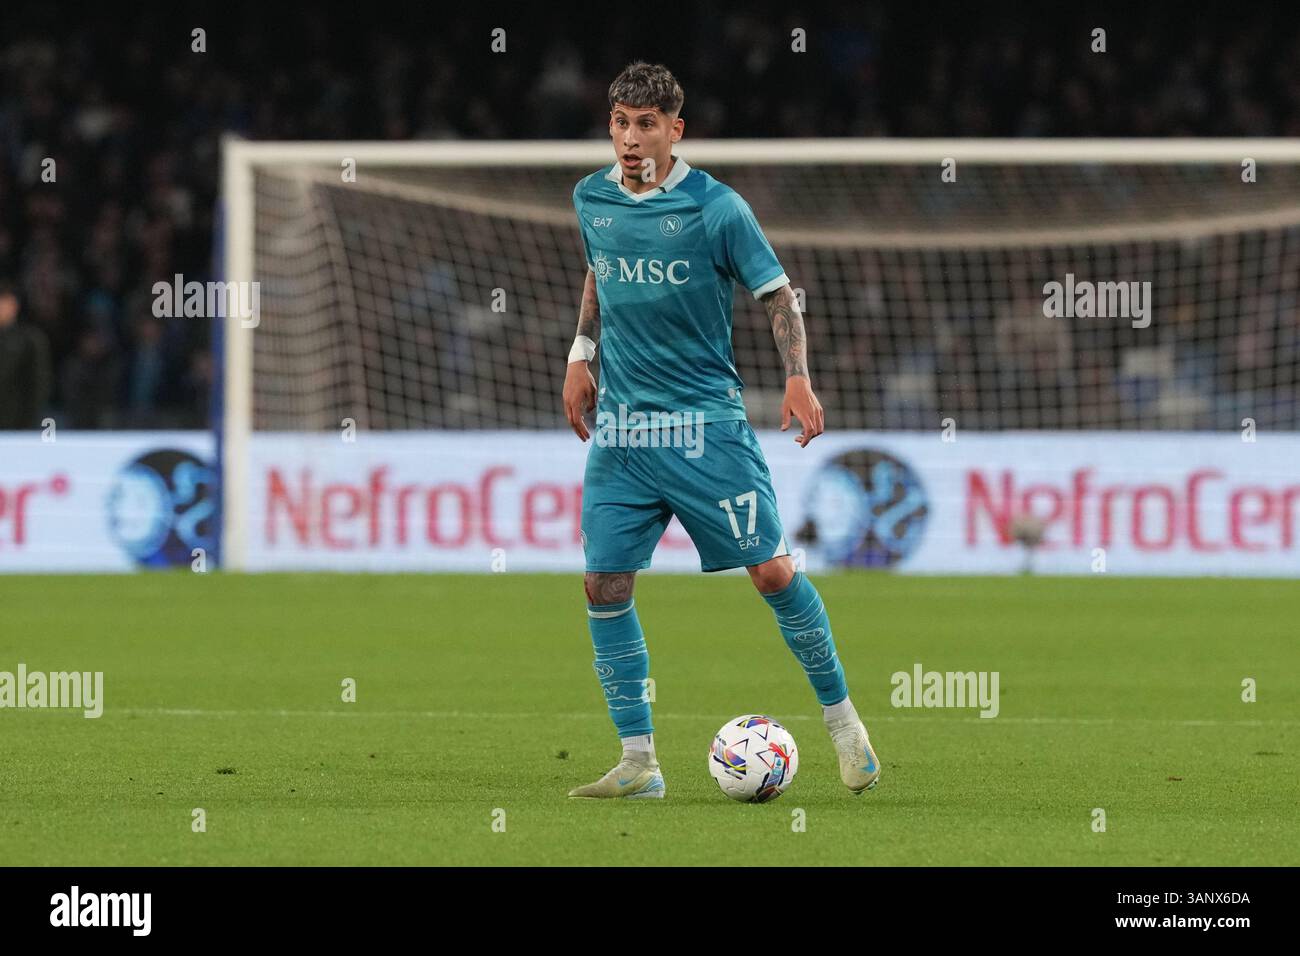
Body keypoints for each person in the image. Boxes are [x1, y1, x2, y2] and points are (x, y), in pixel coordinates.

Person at [562, 63, 880, 799]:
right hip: (623, 435)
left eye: (647, 124)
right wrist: (581, 355)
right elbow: (599, 271)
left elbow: (776, 295)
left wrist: (796, 376)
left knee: (770, 571)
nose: (631, 138)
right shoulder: (591, 197)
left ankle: (844, 727)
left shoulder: (718, 209)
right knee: (603, 583)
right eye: (620, 122)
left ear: (676, 129)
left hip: (706, 427)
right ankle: (639, 762)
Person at [0, 280, 53, 431]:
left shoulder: (30, 339)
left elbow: (39, 383)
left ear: (14, 305)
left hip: (17, 423)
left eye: (4, 302)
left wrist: (28, 422)